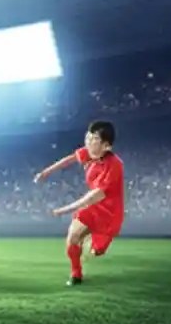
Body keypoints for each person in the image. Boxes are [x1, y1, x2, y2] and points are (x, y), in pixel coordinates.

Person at [35, 120, 124, 286]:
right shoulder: (89, 153)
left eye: (94, 139)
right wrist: (45, 172)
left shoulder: (114, 165)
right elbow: (69, 159)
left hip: (109, 212)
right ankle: (76, 274)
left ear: (106, 145)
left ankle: (95, 241)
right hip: (92, 207)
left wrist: (64, 210)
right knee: (73, 236)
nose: (88, 142)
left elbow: (95, 196)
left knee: (97, 252)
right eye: (88, 137)